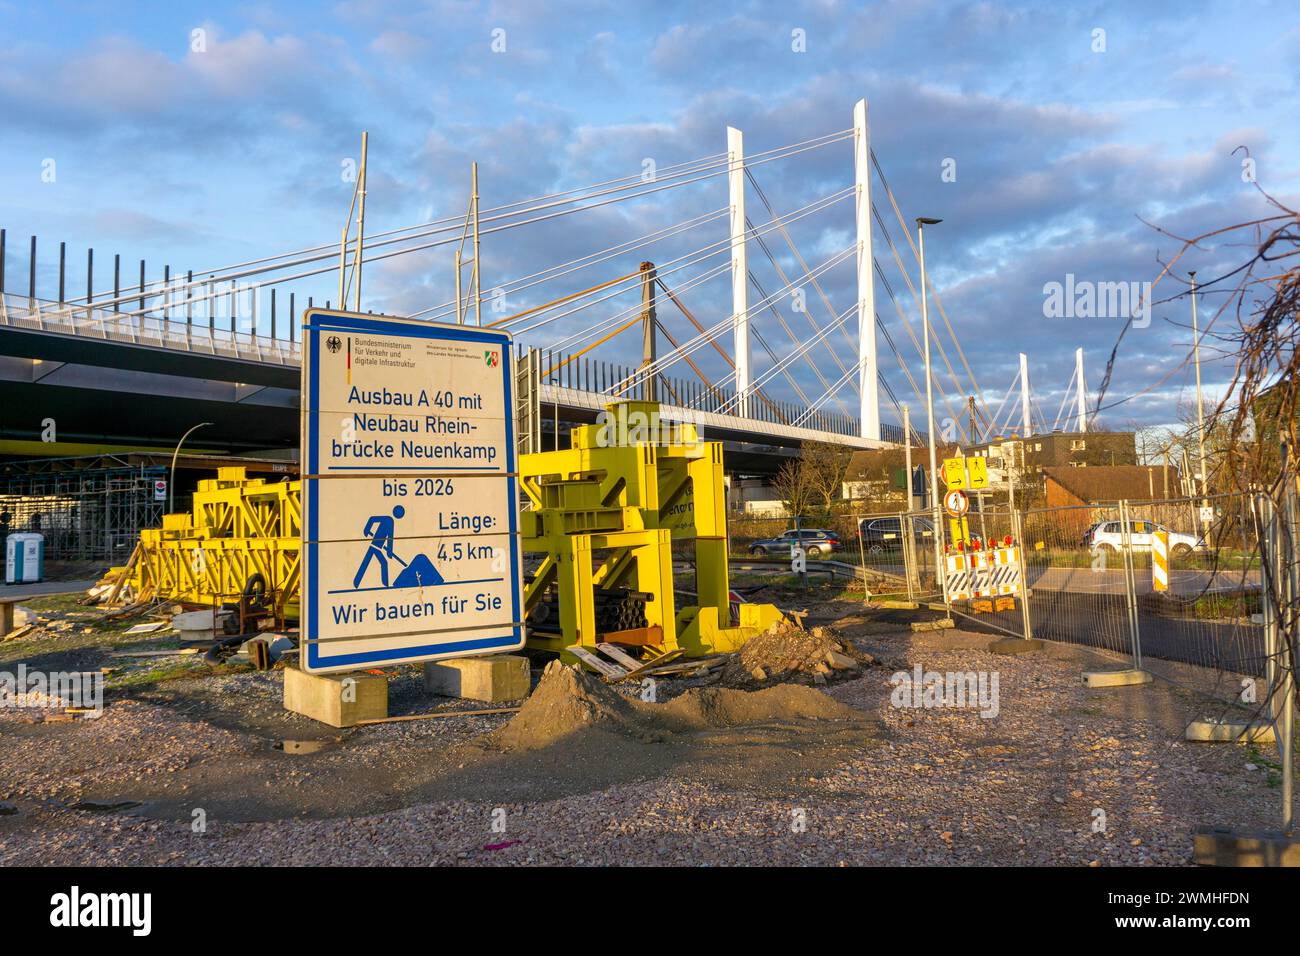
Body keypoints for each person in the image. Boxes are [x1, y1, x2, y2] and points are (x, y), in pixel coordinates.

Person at [353, 505, 405, 588]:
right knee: (378, 563)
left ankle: (357, 582)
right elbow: (372, 519)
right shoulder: (388, 519)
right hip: (374, 545)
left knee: (373, 562)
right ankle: (357, 582)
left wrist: (389, 551)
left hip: (377, 547)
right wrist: (366, 529)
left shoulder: (390, 521)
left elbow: (389, 538)